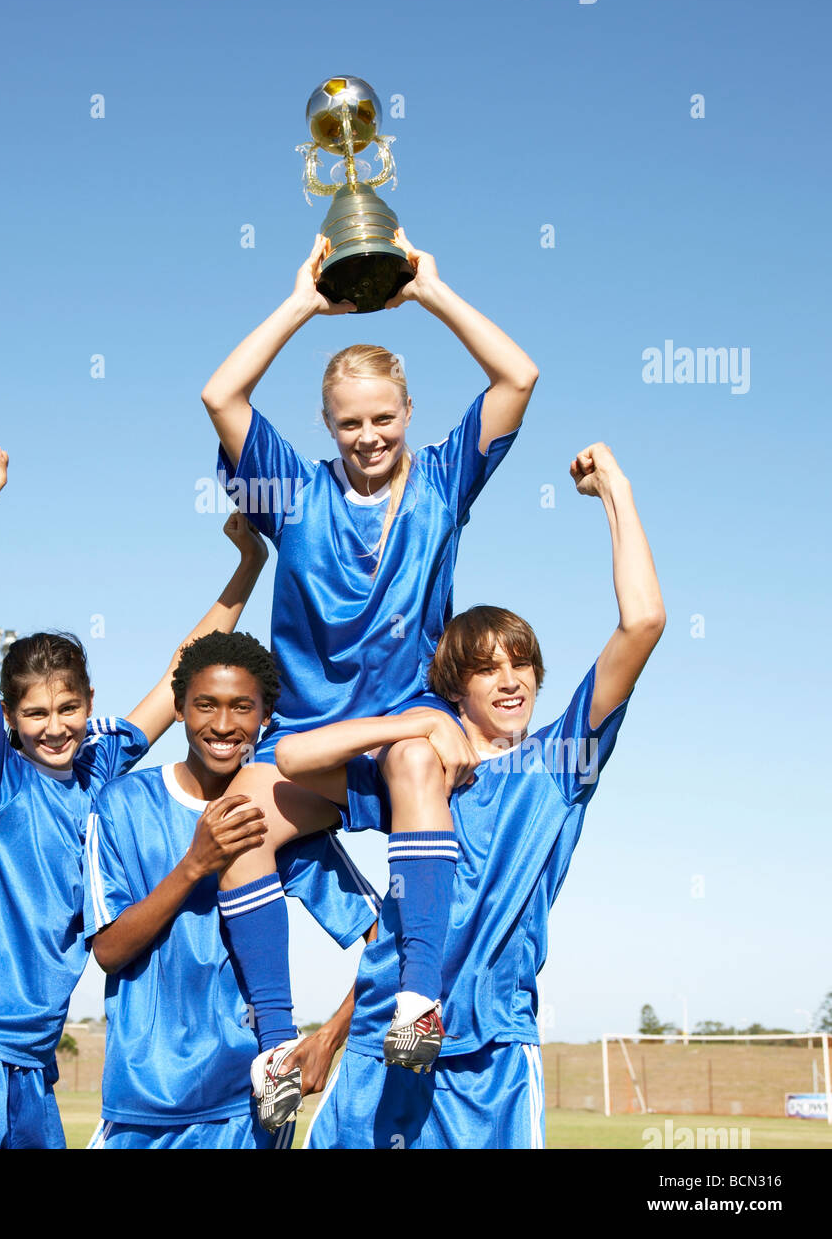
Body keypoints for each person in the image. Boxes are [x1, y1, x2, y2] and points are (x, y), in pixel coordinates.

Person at [200, 232, 538, 1119]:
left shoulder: (440, 484)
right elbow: (220, 393)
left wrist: (431, 286)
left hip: (406, 753)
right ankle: (276, 1043)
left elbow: (517, 379)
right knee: (232, 823)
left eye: (383, 417)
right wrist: (305, 301)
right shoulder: (292, 495)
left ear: (408, 414)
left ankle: (416, 1001)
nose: (368, 435)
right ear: (326, 428)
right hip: (311, 746)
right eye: (349, 422)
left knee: (421, 755)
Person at [0, 447, 269, 1149]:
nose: (55, 727)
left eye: (68, 708)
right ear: (10, 719)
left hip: (31, 1061)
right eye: (37, 715)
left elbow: (183, 667)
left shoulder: (100, 765)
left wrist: (247, 567)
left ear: (88, 703)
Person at [284, 442, 665, 1148]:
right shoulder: (414, 771)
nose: (510, 679)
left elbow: (641, 624)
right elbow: (292, 760)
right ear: (456, 686)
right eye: (487, 669)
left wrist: (615, 486)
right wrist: (412, 723)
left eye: (521, 663)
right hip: (379, 1044)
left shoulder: (559, 763)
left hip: (490, 1049)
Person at [83, 629, 378, 1149]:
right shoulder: (121, 804)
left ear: (265, 717)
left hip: (250, 1109)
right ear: (178, 710)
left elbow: (382, 936)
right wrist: (194, 865)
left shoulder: (279, 815)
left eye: (242, 707)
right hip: (144, 1105)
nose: (223, 725)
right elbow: (108, 951)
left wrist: (330, 1037)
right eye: (206, 705)